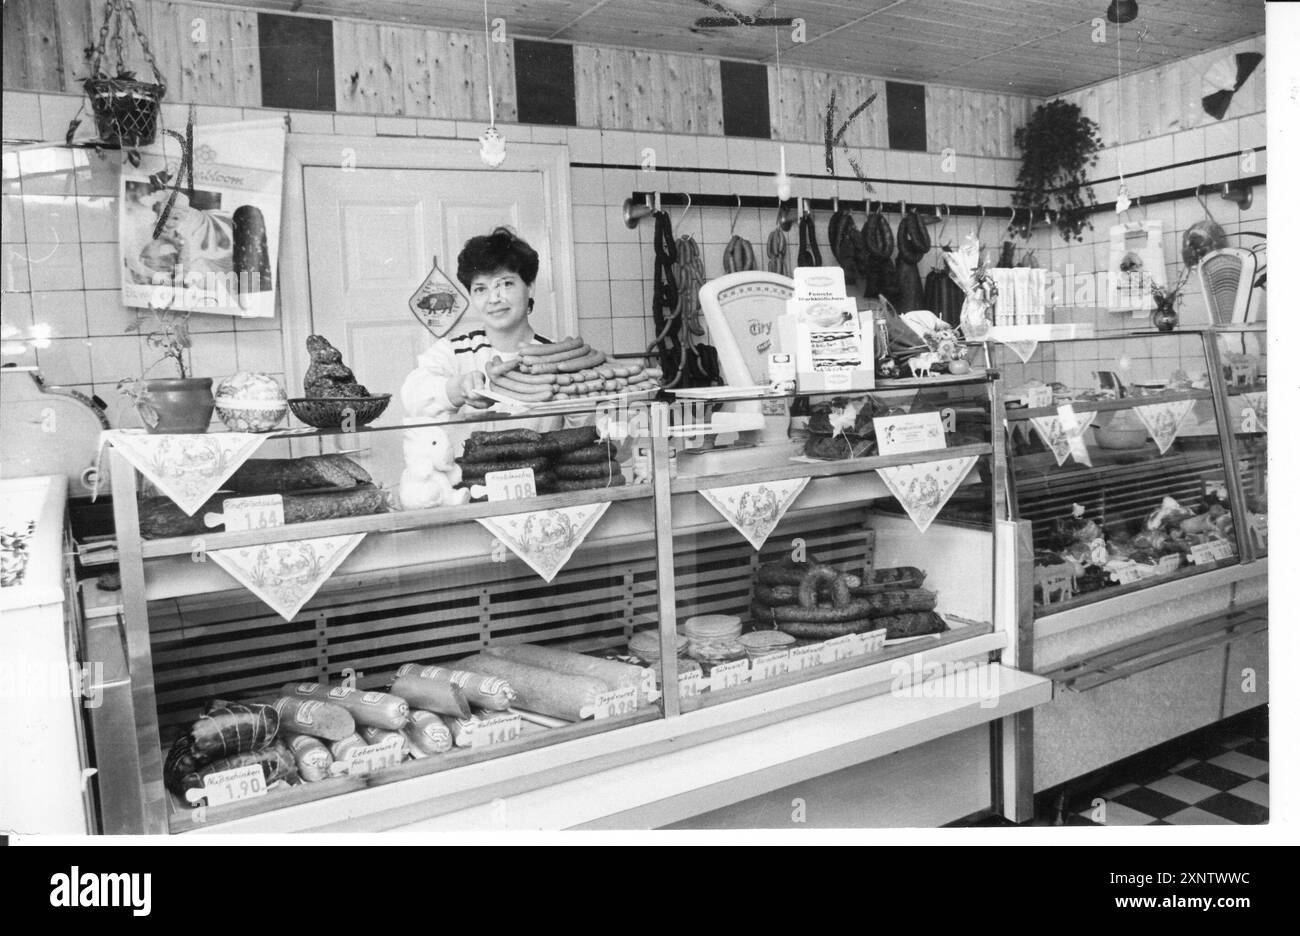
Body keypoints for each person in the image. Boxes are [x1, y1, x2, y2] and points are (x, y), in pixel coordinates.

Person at [402, 226, 556, 419]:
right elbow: (412, 396)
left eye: (506, 284)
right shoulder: (452, 351)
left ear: (530, 287)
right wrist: (457, 389)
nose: (494, 299)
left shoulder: (557, 355)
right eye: (481, 289)